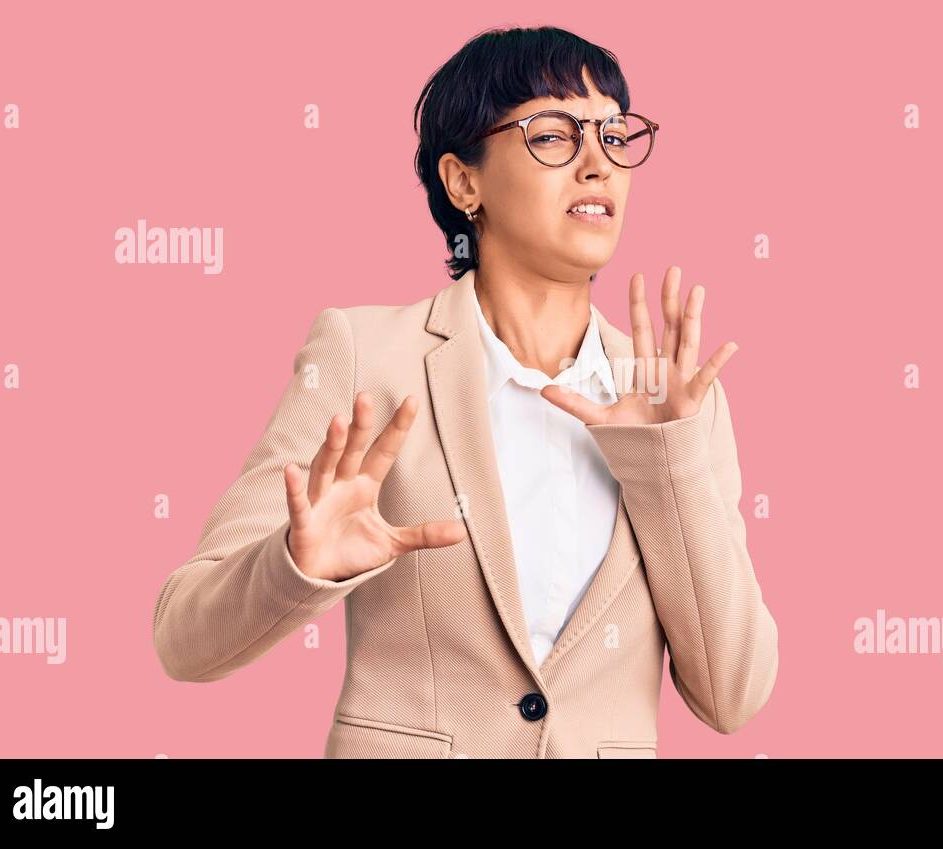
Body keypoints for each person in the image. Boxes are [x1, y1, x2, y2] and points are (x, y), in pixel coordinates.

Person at [151, 24, 778, 758]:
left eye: (613, 134)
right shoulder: (365, 357)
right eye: (553, 133)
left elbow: (733, 695)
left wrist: (666, 463)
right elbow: (182, 638)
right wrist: (297, 562)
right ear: (463, 181)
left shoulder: (677, 399)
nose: (597, 163)